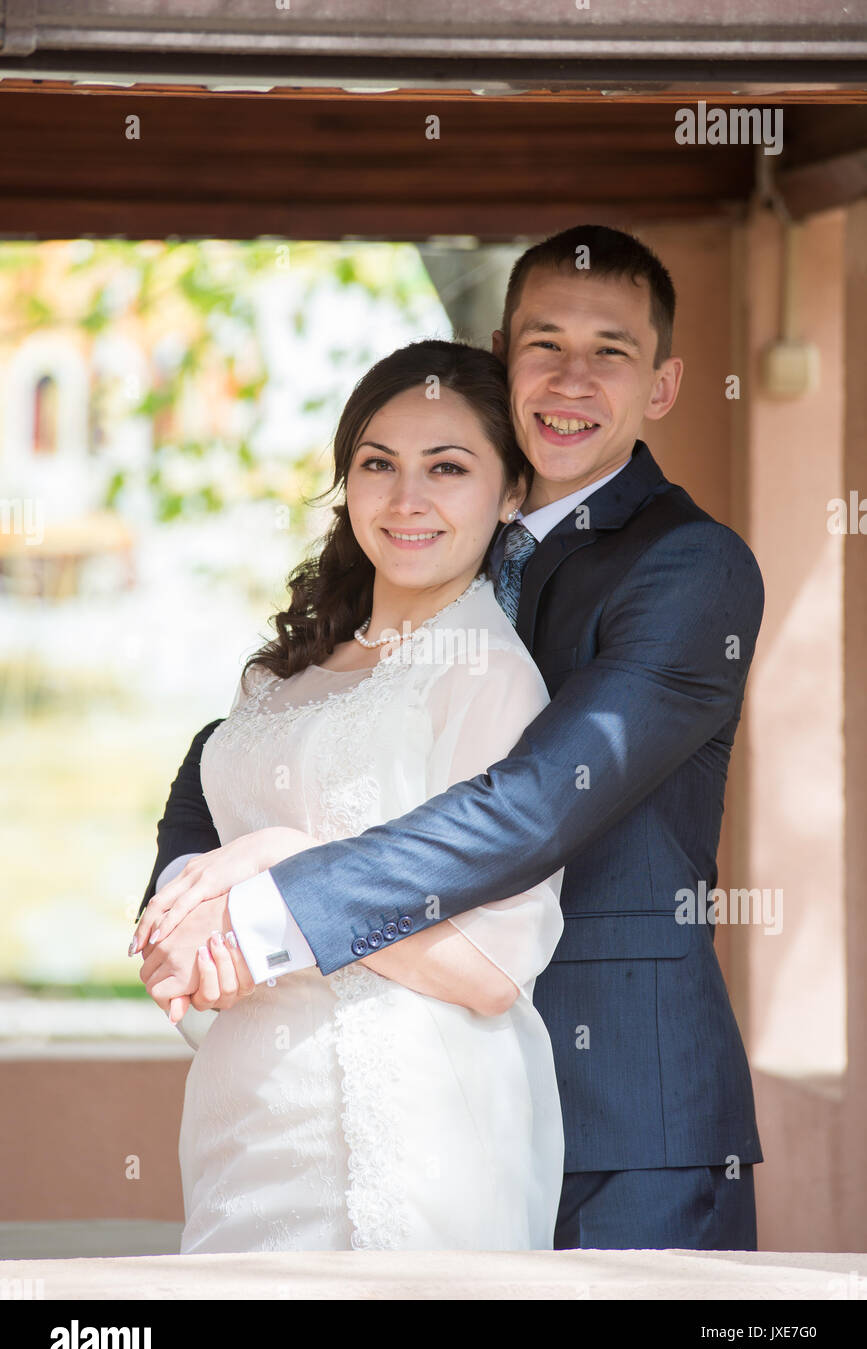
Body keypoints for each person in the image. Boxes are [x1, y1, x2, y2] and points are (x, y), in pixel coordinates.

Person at [133, 224, 765, 1251]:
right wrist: (188, 881)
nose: (570, 378)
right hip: (423, 1079)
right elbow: (261, 733)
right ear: (503, 353)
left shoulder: (690, 567)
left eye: (610, 350)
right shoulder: (439, 548)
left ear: (663, 382)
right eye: (543, 344)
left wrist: (281, 883)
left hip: (623, 1110)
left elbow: (533, 801)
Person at [140, 339, 567, 1252]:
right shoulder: (282, 672)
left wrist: (286, 868)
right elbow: (214, 842)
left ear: (510, 494)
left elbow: (493, 974)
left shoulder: (487, 676)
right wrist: (179, 920)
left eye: (447, 468)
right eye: (378, 464)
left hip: (398, 1125)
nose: (406, 500)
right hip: (246, 1117)